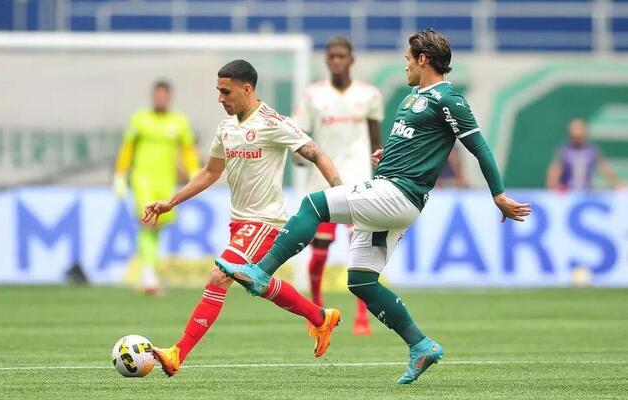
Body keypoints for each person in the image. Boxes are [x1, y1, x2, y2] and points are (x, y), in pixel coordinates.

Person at [215, 29, 532, 384]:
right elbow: (419, 145)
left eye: (408, 60)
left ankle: (261, 271)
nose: (406, 66)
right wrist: (387, 156)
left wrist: (498, 194)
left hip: (398, 195)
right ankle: (421, 345)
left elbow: (479, 146)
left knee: (313, 203)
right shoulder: (414, 97)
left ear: (423, 59)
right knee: (361, 281)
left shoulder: (448, 98)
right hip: (391, 188)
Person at [142, 60, 343, 377]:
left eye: (226, 91)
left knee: (219, 276)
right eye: (218, 91)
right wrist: (171, 201)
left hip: (266, 222)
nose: (220, 98)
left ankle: (177, 353)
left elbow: (316, 152)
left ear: (246, 89)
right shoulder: (225, 129)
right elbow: (210, 173)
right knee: (257, 284)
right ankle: (320, 317)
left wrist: (340, 194)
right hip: (239, 223)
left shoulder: (273, 123)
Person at [293, 37, 383, 336]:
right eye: (331, 56)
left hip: (360, 183)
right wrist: (298, 157)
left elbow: (375, 139)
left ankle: (362, 314)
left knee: (360, 251)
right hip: (324, 183)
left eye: (342, 56)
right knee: (319, 251)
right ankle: (316, 309)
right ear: (326, 61)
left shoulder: (369, 94)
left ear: (351, 60)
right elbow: (297, 135)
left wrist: (381, 172)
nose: (336, 61)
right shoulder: (312, 95)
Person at [113, 80, 201, 295]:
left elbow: (187, 150)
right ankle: (149, 276)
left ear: (169, 98)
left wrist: (194, 172)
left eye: (164, 96)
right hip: (142, 178)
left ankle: (148, 272)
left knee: (157, 225)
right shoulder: (140, 119)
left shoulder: (179, 121)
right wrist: (120, 174)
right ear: (153, 97)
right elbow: (127, 148)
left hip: (166, 180)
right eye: (158, 96)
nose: (161, 99)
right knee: (148, 223)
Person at [546, 118, 624, 191]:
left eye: (579, 137)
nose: (577, 138)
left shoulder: (592, 151)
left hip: (586, 193)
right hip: (568, 194)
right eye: (574, 137)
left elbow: (605, 170)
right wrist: (553, 190)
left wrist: (618, 185)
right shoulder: (564, 151)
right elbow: (554, 174)